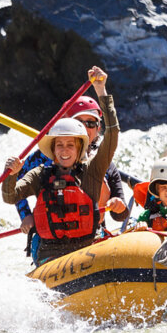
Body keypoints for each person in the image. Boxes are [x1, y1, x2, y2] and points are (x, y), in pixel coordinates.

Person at [2, 67, 119, 266]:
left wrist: (101, 90)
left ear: (80, 147)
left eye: (70, 145)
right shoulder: (40, 173)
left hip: (87, 247)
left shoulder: (93, 170)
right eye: (60, 145)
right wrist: (10, 175)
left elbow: (112, 133)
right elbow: (10, 196)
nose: (65, 150)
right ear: (53, 149)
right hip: (50, 252)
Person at [15, 94, 129, 259]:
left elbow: (120, 215)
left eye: (91, 123)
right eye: (79, 122)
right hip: (51, 242)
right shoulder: (45, 158)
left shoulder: (104, 165)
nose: (85, 128)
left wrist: (118, 205)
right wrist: (25, 214)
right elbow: (16, 180)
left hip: (91, 238)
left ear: (98, 128)